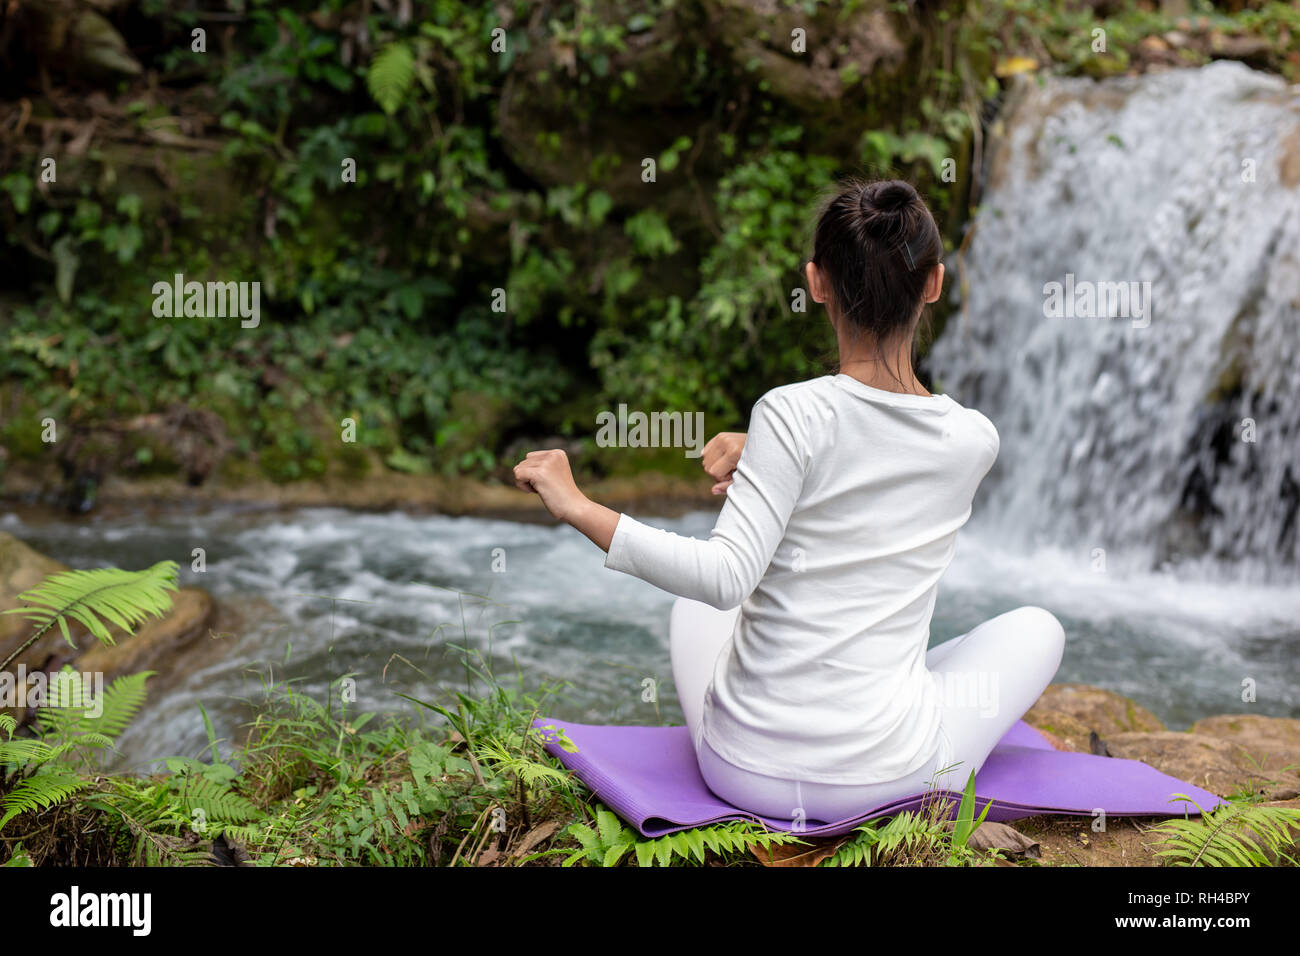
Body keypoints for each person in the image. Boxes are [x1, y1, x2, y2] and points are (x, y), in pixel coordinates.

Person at [512, 178, 1065, 823]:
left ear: (817, 281)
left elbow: (722, 579)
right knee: (1039, 629)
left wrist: (577, 503)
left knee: (698, 614)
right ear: (936, 283)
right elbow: (878, 451)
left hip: (742, 772)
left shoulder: (788, 414)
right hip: (888, 778)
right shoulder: (974, 440)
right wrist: (772, 451)